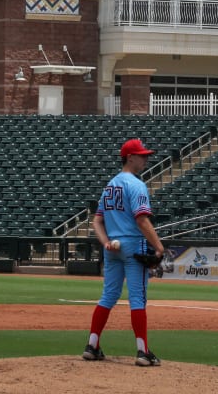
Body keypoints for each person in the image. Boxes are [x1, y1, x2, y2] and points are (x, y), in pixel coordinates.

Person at [82, 138, 165, 367]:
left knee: (108, 296)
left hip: (113, 248)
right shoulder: (136, 184)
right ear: (130, 157)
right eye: (142, 155)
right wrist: (159, 247)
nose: (146, 158)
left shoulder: (110, 185)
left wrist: (106, 242)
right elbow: (142, 220)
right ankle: (142, 352)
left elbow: (97, 222)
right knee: (137, 298)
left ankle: (92, 346)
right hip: (133, 245)